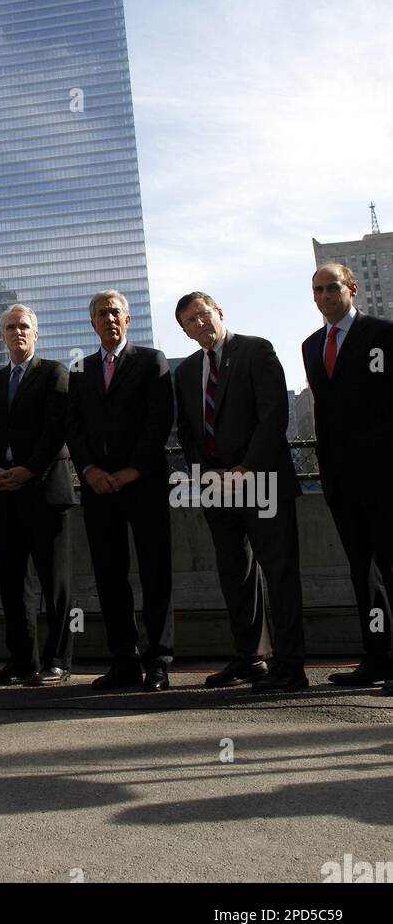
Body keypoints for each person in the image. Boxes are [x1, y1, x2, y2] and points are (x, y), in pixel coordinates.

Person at [174, 292, 307, 693]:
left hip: (261, 479)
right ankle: (250, 658)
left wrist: (245, 468)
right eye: (190, 323)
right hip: (216, 486)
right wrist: (208, 474)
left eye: (203, 315)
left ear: (219, 312)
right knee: (236, 574)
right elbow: (187, 431)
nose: (199, 325)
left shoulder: (255, 350)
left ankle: (290, 666)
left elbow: (273, 416)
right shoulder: (186, 373)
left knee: (279, 573)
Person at [66, 291, 175, 692]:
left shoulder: (151, 361)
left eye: (116, 312)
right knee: (110, 577)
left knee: (155, 574)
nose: (109, 318)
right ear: (92, 323)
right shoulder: (79, 368)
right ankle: (124, 662)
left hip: (144, 485)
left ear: (127, 319)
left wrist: (133, 470)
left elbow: (159, 419)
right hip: (98, 489)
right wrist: (89, 469)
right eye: (101, 314)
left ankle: (159, 662)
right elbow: (72, 425)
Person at [0, 304, 75, 686]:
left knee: (55, 583)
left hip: (45, 493)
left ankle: (58, 660)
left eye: (24, 327)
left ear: (36, 333)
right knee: (13, 585)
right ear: (3, 335)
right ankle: (21, 660)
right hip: (4, 496)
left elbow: (56, 428)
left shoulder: (54, 373)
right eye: (11, 327)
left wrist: (29, 470)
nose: (18, 332)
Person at [303, 264, 393, 693]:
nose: (324, 295)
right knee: (363, 572)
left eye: (332, 287)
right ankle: (376, 658)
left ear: (352, 289)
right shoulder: (310, 346)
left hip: (384, 475)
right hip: (339, 479)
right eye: (317, 289)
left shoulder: (383, 335)